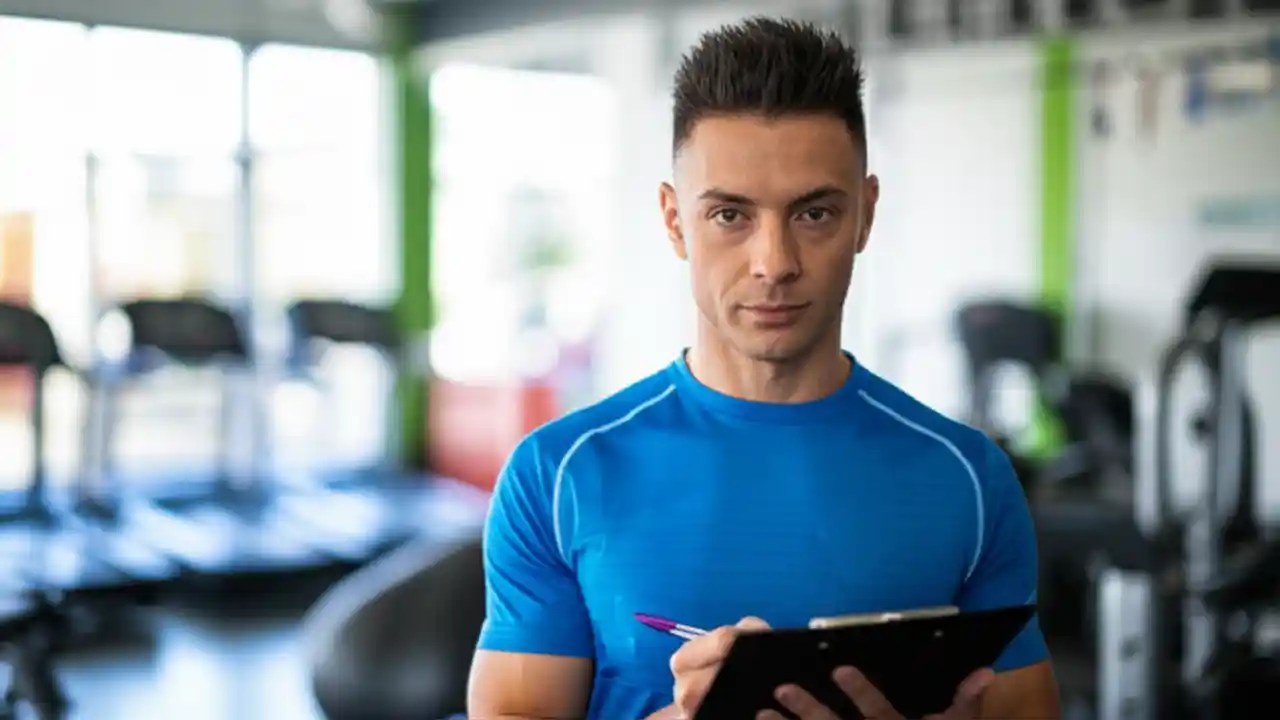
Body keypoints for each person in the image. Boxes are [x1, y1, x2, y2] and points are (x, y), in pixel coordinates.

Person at [467, 16, 1061, 720]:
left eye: (814, 214)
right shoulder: (558, 474)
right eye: (729, 215)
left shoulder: (970, 479)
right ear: (674, 219)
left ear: (865, 215)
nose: (774, 263)